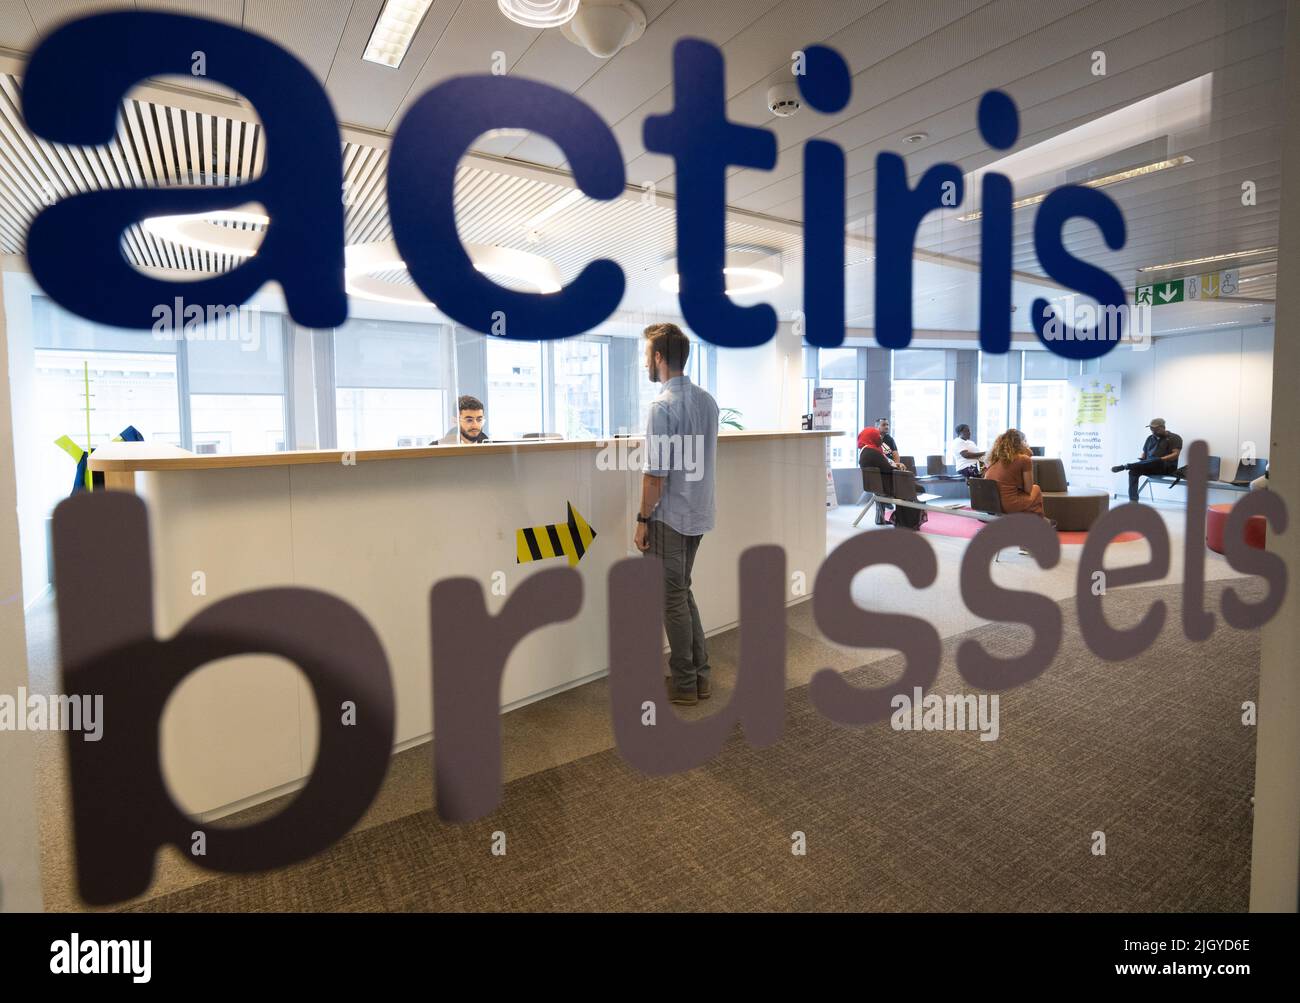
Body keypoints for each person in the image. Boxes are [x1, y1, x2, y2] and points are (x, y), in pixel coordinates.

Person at [633, 323, 719, 707]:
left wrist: (641, 520)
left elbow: (656, 474)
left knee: (671, 599)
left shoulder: (662, 407)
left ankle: (684, 683)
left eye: (647, 356)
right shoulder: (707, 402)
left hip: (669, 517)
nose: (646, 364)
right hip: (698, 512)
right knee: (682, 592)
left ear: (658, 358)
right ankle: (700, 676)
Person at [1110, 417, 1183, 502]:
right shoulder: (1150, 438)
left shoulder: (1174, 437)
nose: (1153, 431)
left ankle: (1126, 466)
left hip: (1166, 467)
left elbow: (1175, 454)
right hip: (1149, 466)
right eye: (1151, 429)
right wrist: (1142, 460)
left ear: (1163, 427)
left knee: (1156, 460)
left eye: (1156, 429)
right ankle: (1133, 501)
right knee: (1133, 471)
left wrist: (1160, 459)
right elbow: (1144, 453)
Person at [860, 426, 917, 527]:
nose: (880, 438)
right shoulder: (874, 452)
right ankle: (908, 522)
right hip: (887, 487)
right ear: (871, 437)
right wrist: (898, 469)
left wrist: (895, 465)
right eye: (878, 436)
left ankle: (886, 519)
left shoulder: (865, 451)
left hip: (877, 486)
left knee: (910, 485)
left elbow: (884, 465)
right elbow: (888, 469)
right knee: (917, 488)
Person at [984, 428, 1045, 517]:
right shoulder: (1024, 459)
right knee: (1036, 489)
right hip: (1009, 505)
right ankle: (1040, 521)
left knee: (1030, 500)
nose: (1028, 444)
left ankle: (1033, 521)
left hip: (992, 505)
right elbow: (1028, 490)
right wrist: (1028, 453)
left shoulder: (995, 461)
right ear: (1021, 443)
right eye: (1025, 441)